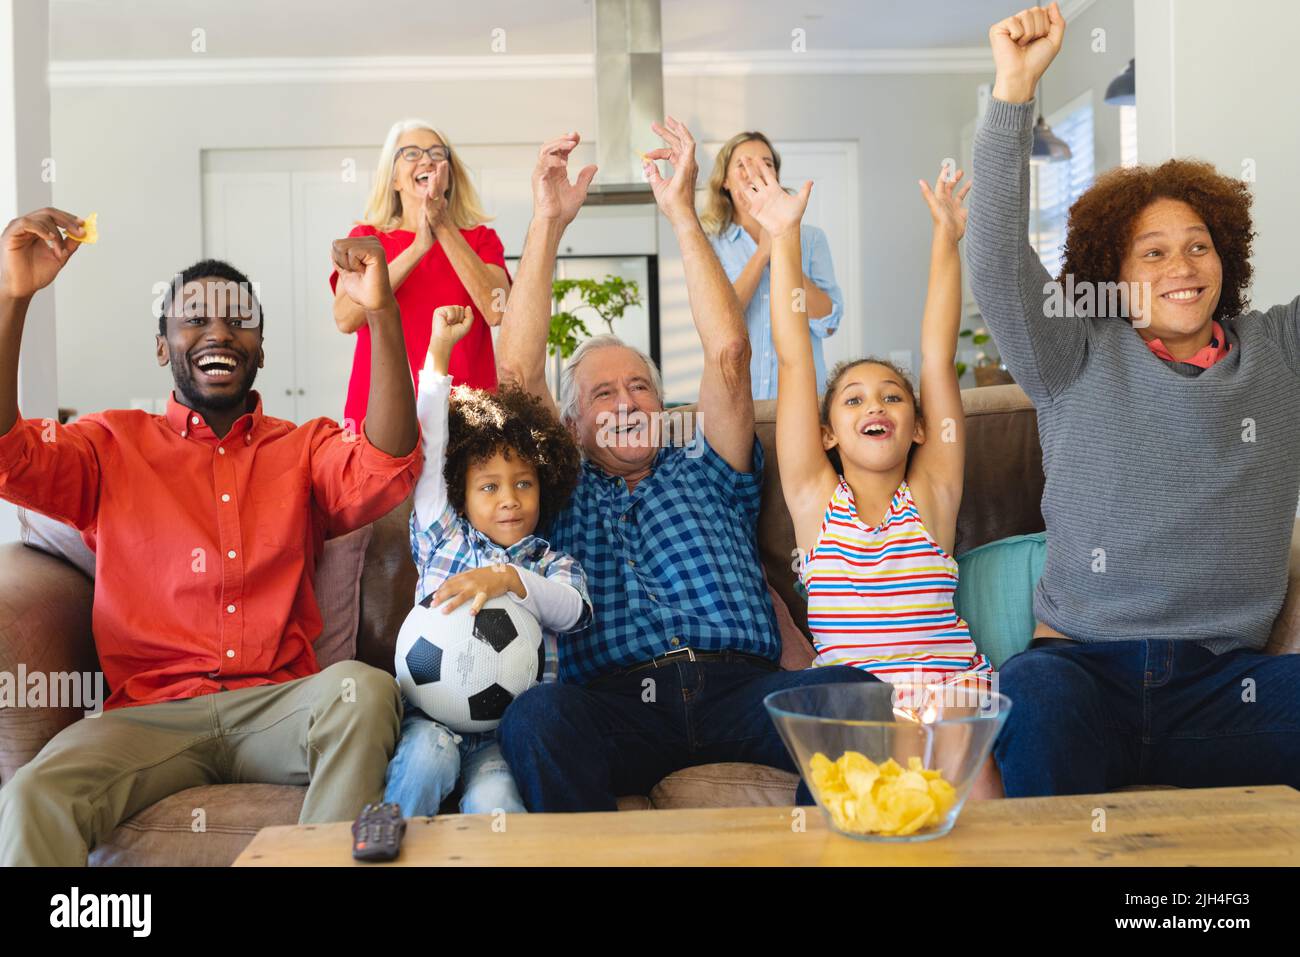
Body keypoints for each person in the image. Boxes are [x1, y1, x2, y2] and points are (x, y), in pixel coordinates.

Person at [0, 209, 421, 865]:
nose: (219, 331)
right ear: (162, 346)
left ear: (261, 350)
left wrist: (381, 311)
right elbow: (8, 454)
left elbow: (387, 461)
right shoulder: (109, 444)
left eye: (239, 320)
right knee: (33, 796)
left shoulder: (303, 448)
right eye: (194, 318)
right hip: (148, 717)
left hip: (278, 708)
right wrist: (11, 296)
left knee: (363, 691)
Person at [492, 121, 873, 813]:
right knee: (536, 718)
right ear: (572, 425)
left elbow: (729, 350)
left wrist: (681, 211)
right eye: (603, 394)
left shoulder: (706, 457)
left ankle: (815, 851)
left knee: (856, 696)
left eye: (640, 386)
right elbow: (517, 374)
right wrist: (547, 220)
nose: (627, 402)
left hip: (741, 691)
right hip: (616, 703)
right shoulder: (559, 483)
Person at [969, 3, 1300, 796]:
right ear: (1113, 277)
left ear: (1225, 258)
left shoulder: (1280, 352)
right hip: (1081, 674)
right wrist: (1014, 92)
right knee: (1031, 697)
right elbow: (994, 258)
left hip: (1228, 687)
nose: (1182, 265)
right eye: (1152, 253)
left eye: (1198, 246)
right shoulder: (1072, 349)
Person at [745, 154, 990, 685]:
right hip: (850, 708)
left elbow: (937, 357)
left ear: (920, 428)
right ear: (826, 434)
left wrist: (946, 237)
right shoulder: (815, 502)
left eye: (893, 398)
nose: (875, 406)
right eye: (853, 401)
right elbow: (794, 360)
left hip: (949, 695)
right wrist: (784, 236)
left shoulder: (932, 494)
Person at [384, 304, 591, 818]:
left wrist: (507, 579)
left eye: (523, 483)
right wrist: (439, 351)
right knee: (426, 761)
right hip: (430, 722)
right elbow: (432, 445)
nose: (509, 500)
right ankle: (390, 835)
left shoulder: (551, 563)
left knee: (495, 799)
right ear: (461, 492)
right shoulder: (442, 537)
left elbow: (573, 612)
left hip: (504, 734)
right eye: (490, 487)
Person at [331, 119, 510, 430]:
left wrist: (442, 225)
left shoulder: (481, 239)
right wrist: (418, 248)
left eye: (437, 153)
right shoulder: (367, 240)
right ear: (393, 178)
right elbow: (346, 318)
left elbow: (497, 310)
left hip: (468, 417)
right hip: (382, 416)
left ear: (449, 175)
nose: (427, 160)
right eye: (412, 153)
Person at [703, 131, 844, 400]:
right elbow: (717, 322)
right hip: (738, 400)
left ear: (775, 177)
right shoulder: (711, 245)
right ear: (725, 181)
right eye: (743, 164)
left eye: (766, 164)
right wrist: (762, 254)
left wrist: (782, 241)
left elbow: (828, 322)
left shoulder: (812, 239)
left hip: (804, 398)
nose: (755, 172)